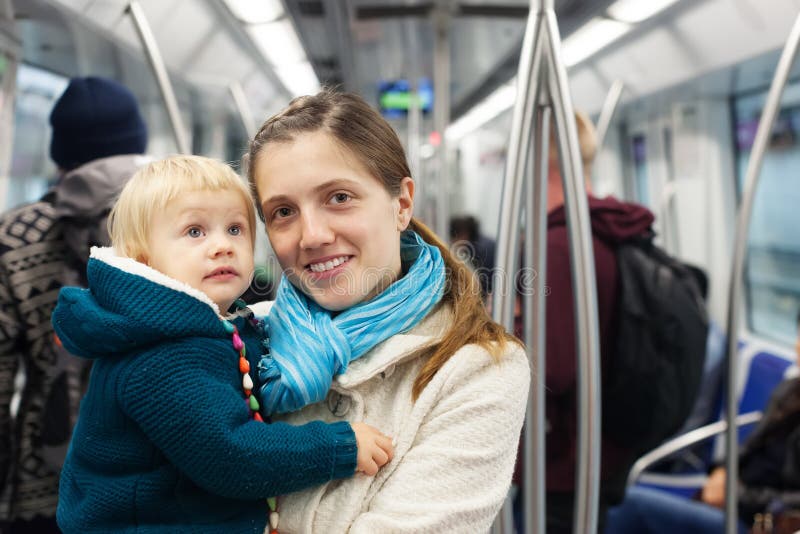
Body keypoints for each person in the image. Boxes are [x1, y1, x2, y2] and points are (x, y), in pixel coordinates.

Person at [50, 155, 394, 533]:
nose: (222, 246)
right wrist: (339, 446)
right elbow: (232, 457)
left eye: (234, 229)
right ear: (143, 258)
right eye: (194, 231)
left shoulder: (207, 326)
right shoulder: (163, 357)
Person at [245, 89, 530, 532]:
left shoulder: (478, 366)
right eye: (283, 211)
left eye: (339, 197)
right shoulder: (245, 339)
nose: (312, 235)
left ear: (402, 204)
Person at [0, 76, 149, 533]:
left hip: (47, 487)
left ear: (60, 155)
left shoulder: (13, 236)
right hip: (153, 485)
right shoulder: (174, 221)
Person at [512, 110, 657, 533]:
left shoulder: (557, 245)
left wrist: (506, 329)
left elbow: (552, 367)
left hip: (561, 459)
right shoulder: (611, 228)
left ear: (534, 165)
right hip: (603, 443)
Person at [605, 311, 800, 534]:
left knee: (629, 505)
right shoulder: (790, 390)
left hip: (759, 521)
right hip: (732, 499)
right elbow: (750, 446)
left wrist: (736, 496)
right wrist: (723, 471)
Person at [449, 214, 497, 295]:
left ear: (463, 235)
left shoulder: (481, 250)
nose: (454, 244)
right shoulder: (480, 242)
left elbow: (484, 282)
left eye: (454, 239)